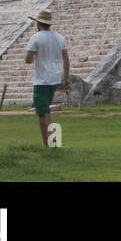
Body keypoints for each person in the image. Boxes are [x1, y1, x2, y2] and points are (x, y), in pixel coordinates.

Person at [24, 8, 69, 147]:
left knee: (42, 112)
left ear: (38, 23)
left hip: (42, 80)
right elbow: (66, 59)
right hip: (55, 79)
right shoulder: (59, 37)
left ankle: (48, 143)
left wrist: (35, 58)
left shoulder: (36, 38)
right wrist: (66, 78)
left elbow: (27, 59)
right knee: (46, 109)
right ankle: (51, 140)